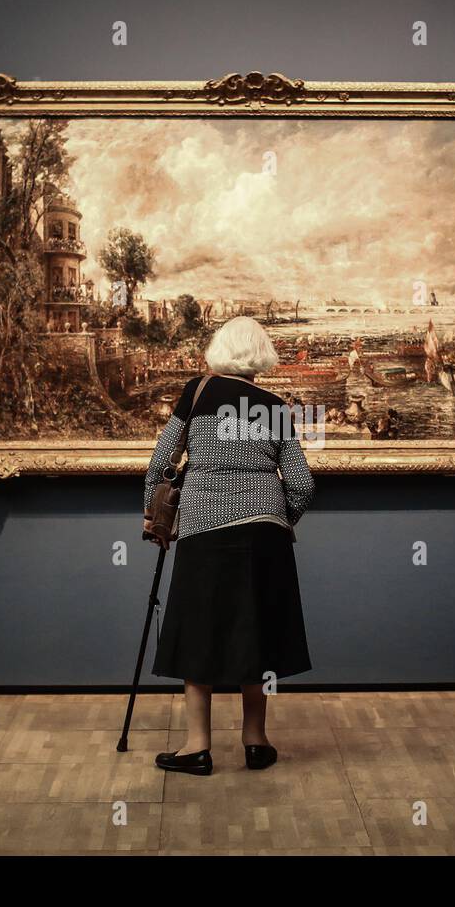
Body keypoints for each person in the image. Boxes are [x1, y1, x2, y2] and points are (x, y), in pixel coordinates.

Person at [143, 316, 316, 776]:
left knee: (197, 629)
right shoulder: (274, 406)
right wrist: (281, 520)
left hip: (205, 532)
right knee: (254, 631)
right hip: (265, 536)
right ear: (262, 355)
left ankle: (197, 747)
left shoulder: (198, 392)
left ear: (219, 350)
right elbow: (302, 484)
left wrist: (157, 517)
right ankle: (256, 742)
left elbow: (161, 464)